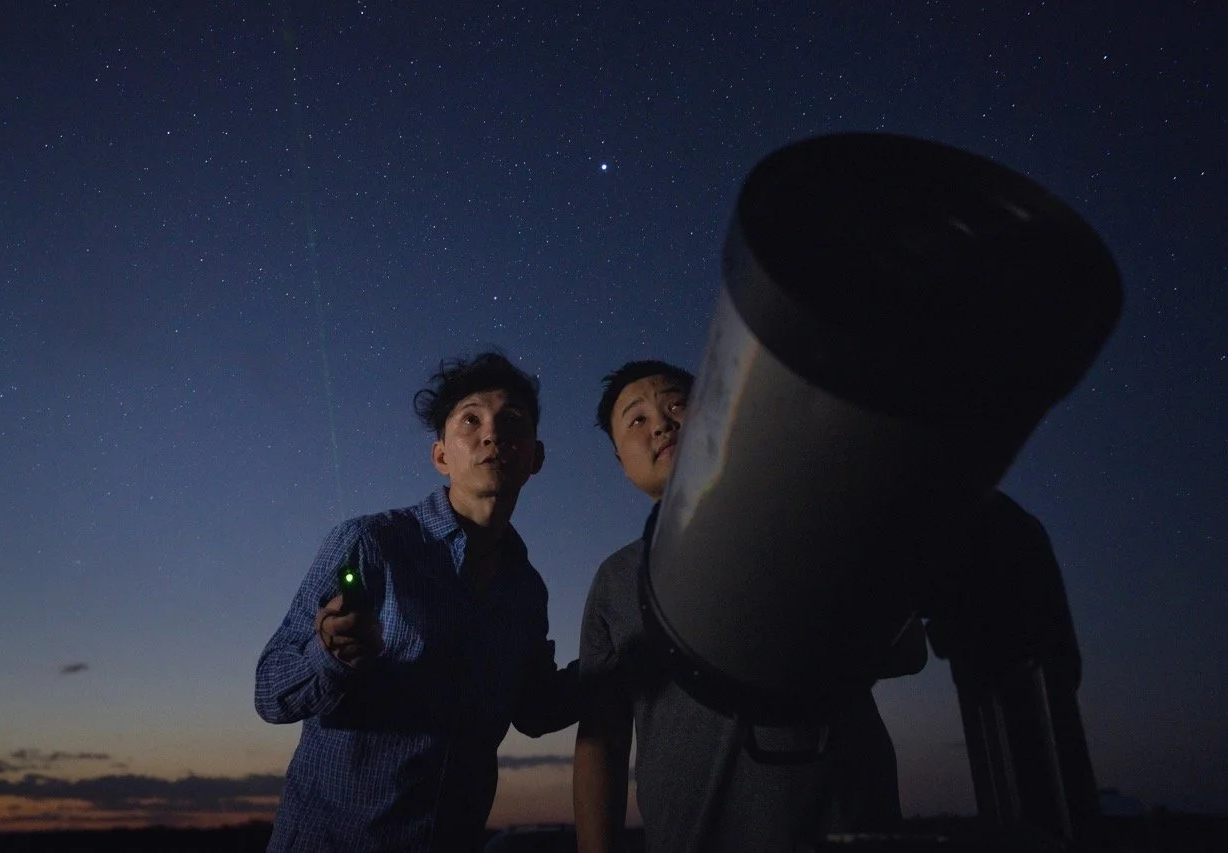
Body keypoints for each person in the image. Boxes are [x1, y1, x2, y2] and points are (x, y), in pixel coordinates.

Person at [573, 360, 926, 852]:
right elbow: (603, 742)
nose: (661, 422)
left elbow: (908, 650)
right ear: (620, 460)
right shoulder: (614, 582)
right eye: (636, 419)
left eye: (677, 404)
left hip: (846, 825)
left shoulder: (809, 519)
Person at [255, 352, 578, 853]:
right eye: (471, 420)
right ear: (442, 456)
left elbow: (533, 711)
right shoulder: (371, 543)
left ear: (535, 456)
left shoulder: (527, 590)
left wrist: (618, 659)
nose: (491, 433)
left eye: (511, 419)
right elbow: (270, 693)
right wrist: (331, 656)